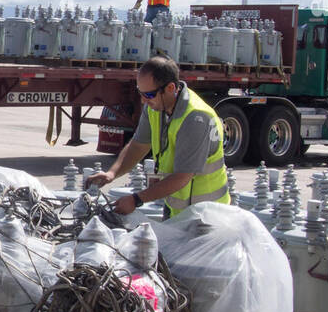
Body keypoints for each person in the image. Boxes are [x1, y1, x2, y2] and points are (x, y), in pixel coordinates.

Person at [86, 56, 230, 217]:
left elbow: (182, 177)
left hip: (207, 215)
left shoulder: (195, 118)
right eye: (140, 93)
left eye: (148, 95)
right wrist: (112, 173)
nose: (143, 100)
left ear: (170, 88)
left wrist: (136, 200)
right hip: (179, 209)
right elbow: (139, 145)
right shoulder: (155, 108)